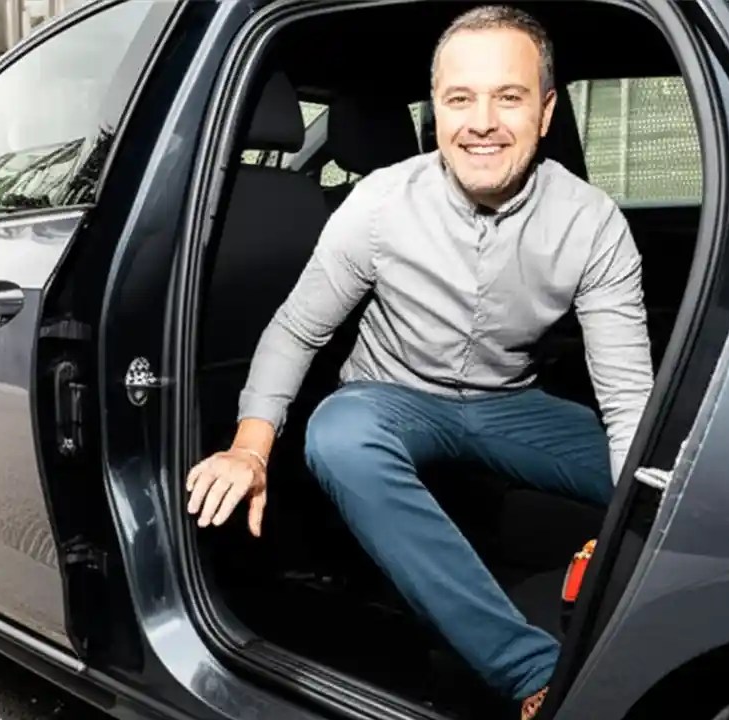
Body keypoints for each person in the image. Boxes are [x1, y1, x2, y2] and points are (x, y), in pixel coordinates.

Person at [186, 5, 654, 718]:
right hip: (391, 399)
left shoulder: (593, 225)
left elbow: (628, 401)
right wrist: (250, 449)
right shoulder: (378, 205)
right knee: (338, 433)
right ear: (435, 109)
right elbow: (296, 330)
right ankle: (531, 673)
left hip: (512, 405)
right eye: (460, 98)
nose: (482, 121)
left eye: (509, 96)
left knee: (664, 478)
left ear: (547, 110)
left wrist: (636, 526)